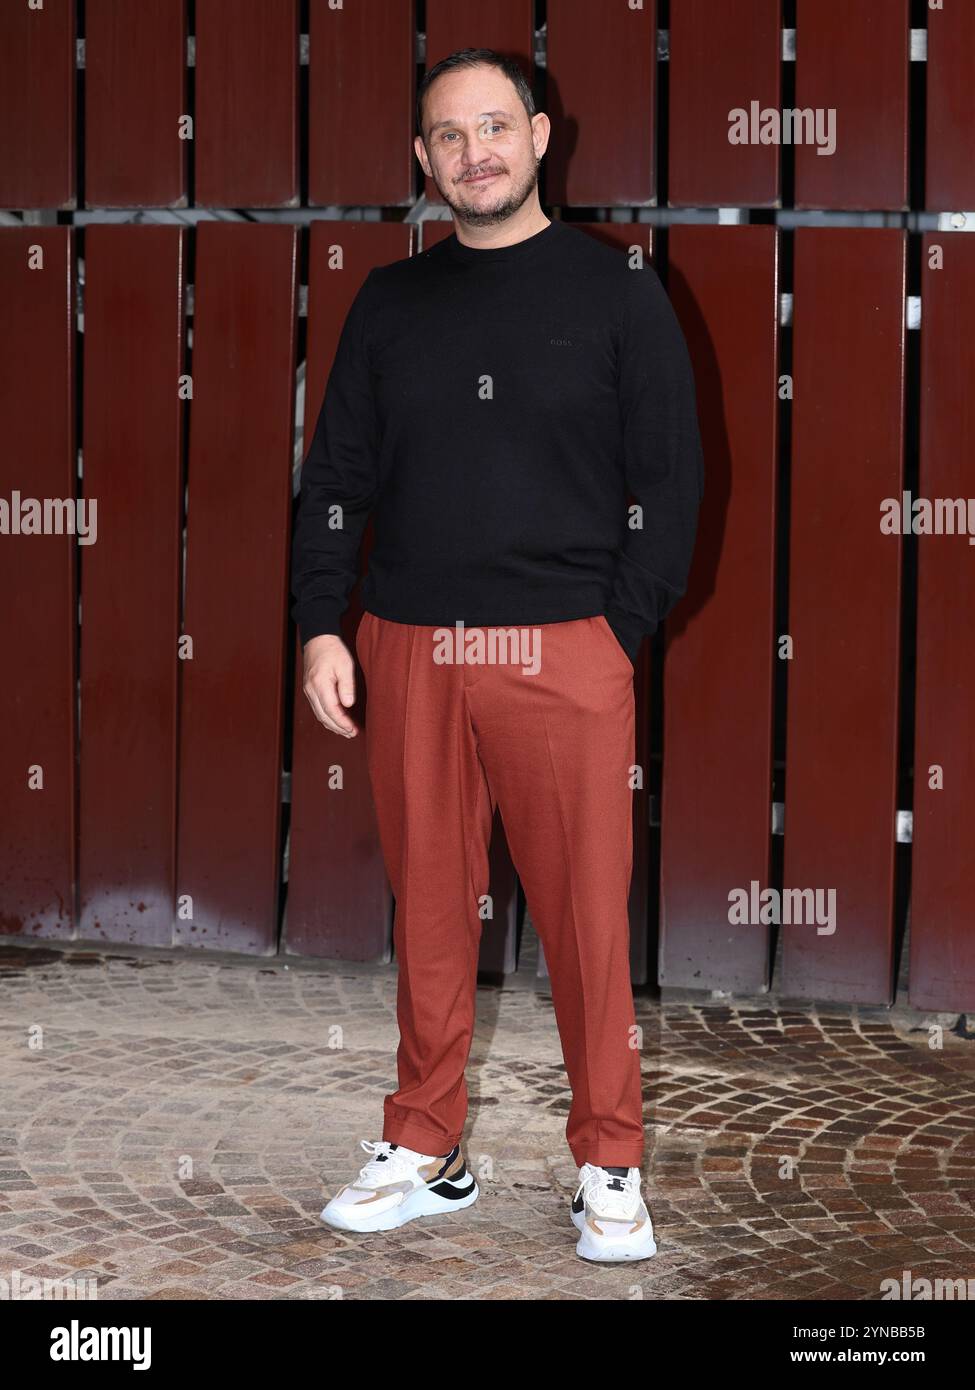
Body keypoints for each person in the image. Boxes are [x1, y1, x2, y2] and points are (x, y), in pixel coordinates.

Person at [291, 48, 703, 1263]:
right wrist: (324, 618)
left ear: (539, 134)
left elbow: (669, 484)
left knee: (586, 921)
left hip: (563, 649)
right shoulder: (388, 301)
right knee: (427, 907)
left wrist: (615, 631)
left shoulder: (619, 289)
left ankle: (609, 1165)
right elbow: (337, 482)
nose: (475, 152)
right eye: (447, 136)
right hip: (408, 645)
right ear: (425, 161)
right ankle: (428, 1145)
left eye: (494, 126)